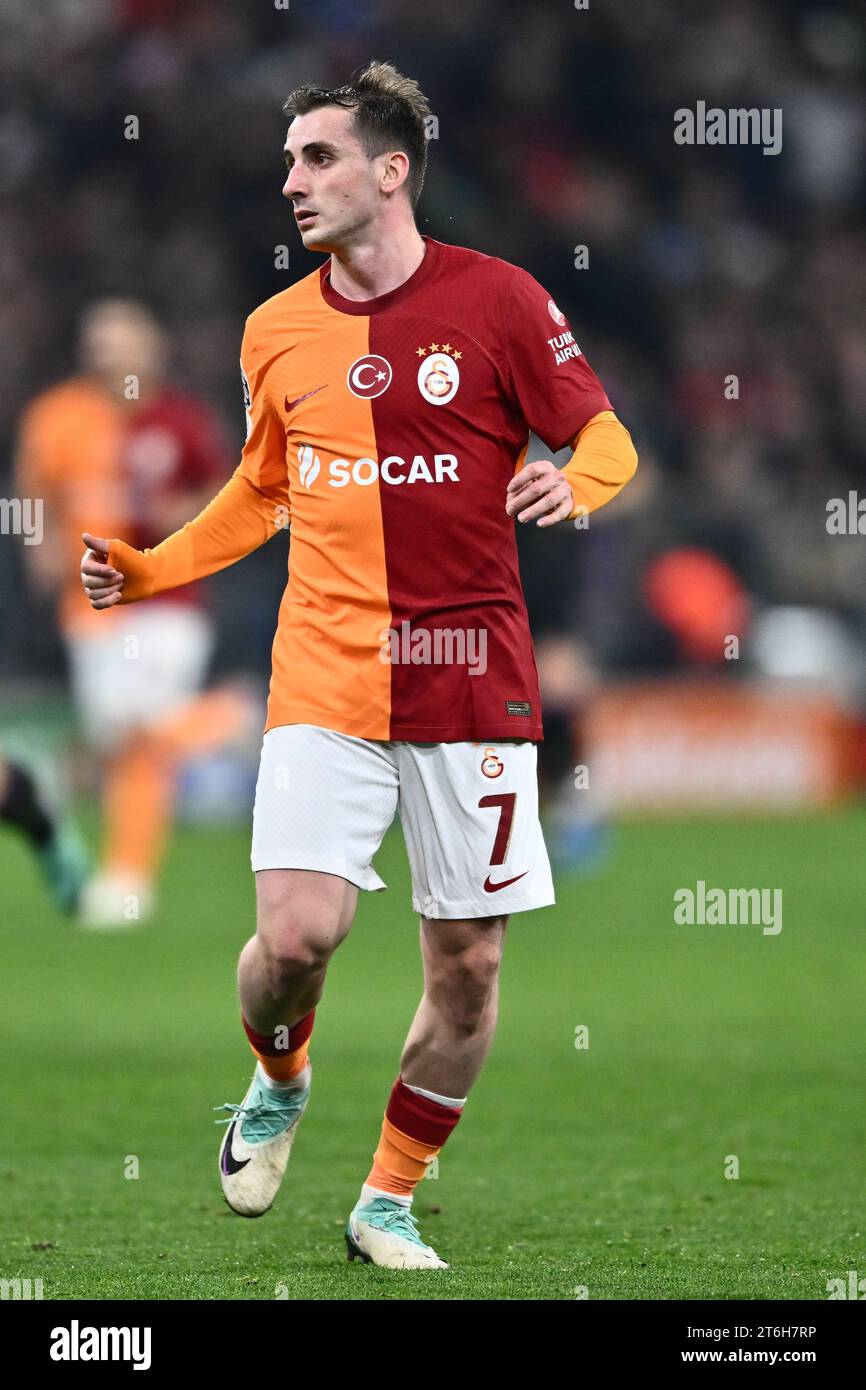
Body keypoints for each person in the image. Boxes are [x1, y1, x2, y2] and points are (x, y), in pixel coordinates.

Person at [80, 62, 637, 1267]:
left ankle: (385, 1196)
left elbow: (602, 434)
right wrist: (151, 567)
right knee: (294, 939)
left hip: (469, 672)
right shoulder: (273, 330)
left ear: (390, 171)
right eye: (287, 161)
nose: (291, 182)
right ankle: (278, 1077)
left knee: (470, 966)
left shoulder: (498, 302)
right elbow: (260, 493)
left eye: (317, 158)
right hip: (325, 666)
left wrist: (574, 479)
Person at [17, 300, 249, 927]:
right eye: (98, 341)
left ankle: (129, 879)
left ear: (151, 348)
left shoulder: (179, 420)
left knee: (138, 735)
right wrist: (37, 546)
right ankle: (223, 719)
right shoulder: (57, 417)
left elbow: (233, 488)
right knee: (120, 742)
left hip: (165, 595)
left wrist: (189, 514)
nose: (108, 353)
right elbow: (31, 495)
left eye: (120, 341)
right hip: (88, 603)